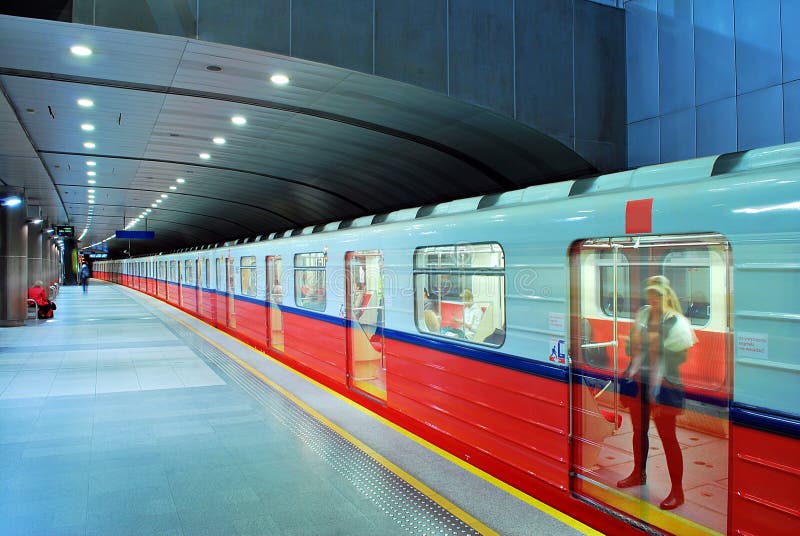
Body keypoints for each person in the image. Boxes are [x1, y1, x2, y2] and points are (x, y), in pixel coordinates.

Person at [617, 277, 697, 511]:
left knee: (668, 438)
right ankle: (638, 473)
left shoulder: (677, 322)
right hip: (637, 382)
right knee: (639, 432)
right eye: (650, 294)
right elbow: (631, 346)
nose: (653, 299)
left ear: (667, 296)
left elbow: (680, 357)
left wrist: (653, 343)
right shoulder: (643, 315)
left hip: (664, 386)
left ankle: (677, 491)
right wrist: (642, 342)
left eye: (658, 295)